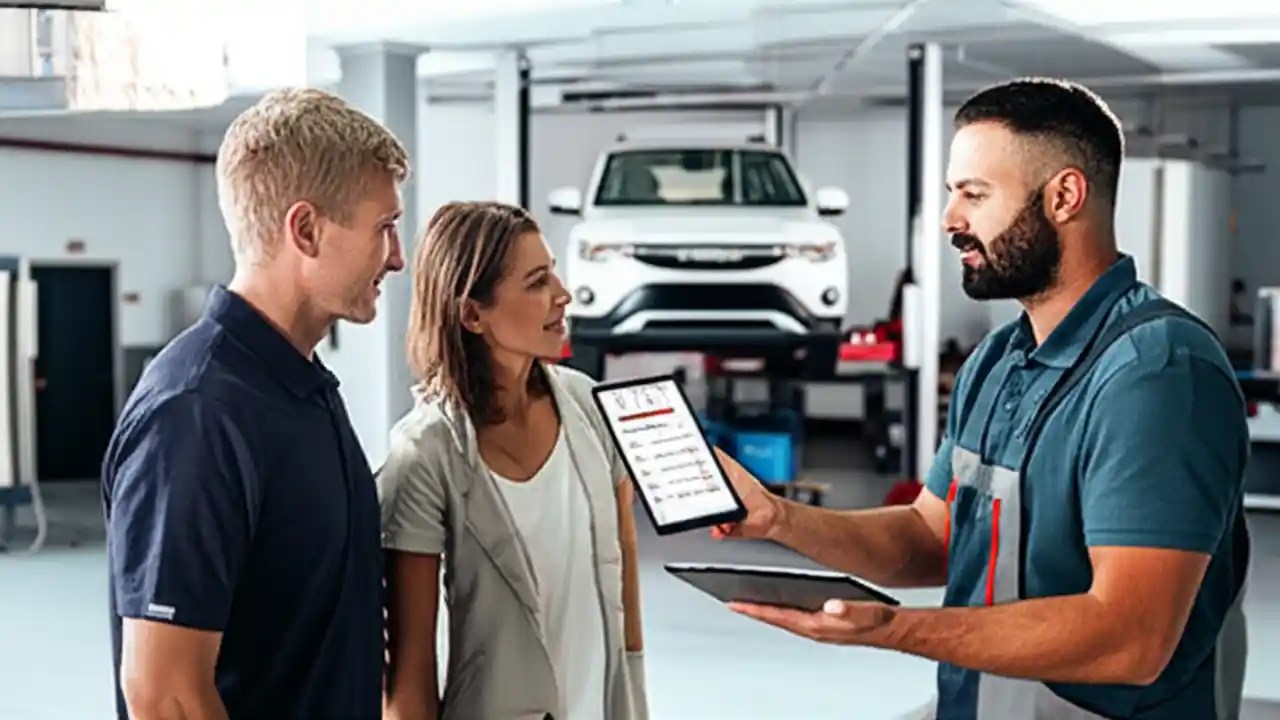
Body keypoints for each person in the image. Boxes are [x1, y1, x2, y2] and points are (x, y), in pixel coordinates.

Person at [713, 78, 1251, 720]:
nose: (951, 219)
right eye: (952, 193)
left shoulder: (1157, 373)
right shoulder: (998, 360)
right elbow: (929, 537)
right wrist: (778, 519)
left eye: (974, 193)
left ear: (1064, 196)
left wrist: (891, 629)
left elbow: (1129, 640)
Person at [100, 87, 409, 719]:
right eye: (384, 228)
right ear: (306, 230)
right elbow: (166, 698)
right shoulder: (198, 413)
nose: (398, 257)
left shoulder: (302, 387)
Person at [377, 201, 648, 720]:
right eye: (537, 282)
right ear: (472, 314)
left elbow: (625, 571)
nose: (563, 295)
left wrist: (634, 698)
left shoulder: (590, 408)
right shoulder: (424, 455)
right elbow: (408, 675)